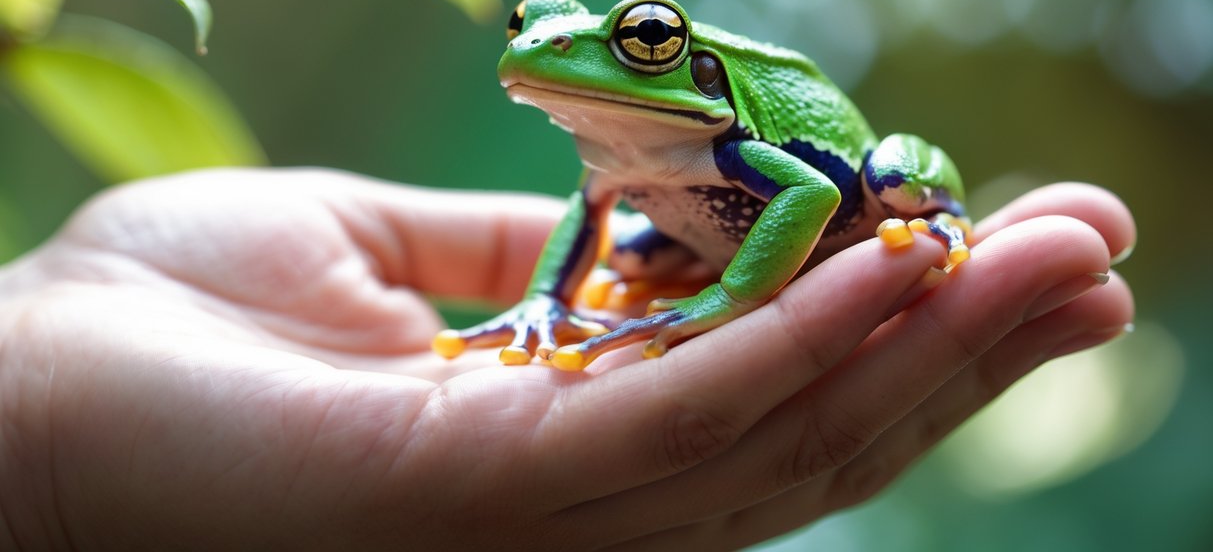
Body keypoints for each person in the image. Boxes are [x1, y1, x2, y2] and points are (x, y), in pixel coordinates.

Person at [0, 168, 1135, 550]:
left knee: (888, 183)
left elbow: (803, 185)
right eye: (525, 26)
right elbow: (585, 222)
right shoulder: (612, 169)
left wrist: (733, 297)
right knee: (626, 248)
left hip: (838, 199)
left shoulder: (721, 134)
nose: (541, 50)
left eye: (634, 41)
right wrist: (40, 417)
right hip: (691, 224)